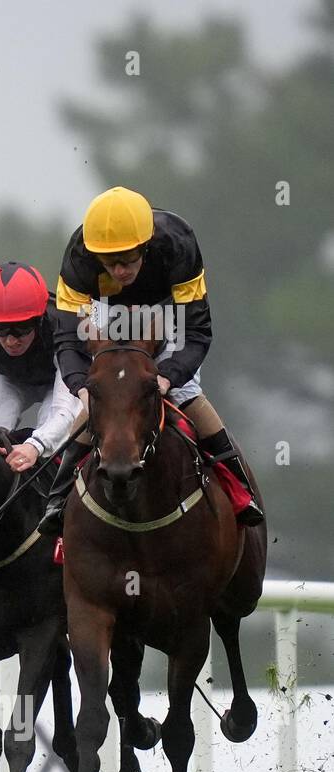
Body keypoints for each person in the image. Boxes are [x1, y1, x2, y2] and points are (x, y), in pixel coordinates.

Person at [38, 186, 265, 533]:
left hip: (166, 311)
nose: (119, 271)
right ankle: (57, 499)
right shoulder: (80, 255)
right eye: (109, 263)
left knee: (186, 391)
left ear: (145, 246)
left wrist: (168, 377)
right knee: (103, 392)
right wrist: (81, 386)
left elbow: (197, 333)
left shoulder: (178, 243)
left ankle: (238, 487)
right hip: (107, 313)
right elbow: (68, 338)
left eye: (128, 260)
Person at [0, 261, 81, 472]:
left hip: (64, 378)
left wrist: (34, 446)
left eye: (21, 328)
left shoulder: (63, 324)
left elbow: (64, 410)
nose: (11, 341)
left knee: (51, 433)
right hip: (11, 379)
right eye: (0, 329)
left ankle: (60, 495)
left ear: (39, 320)